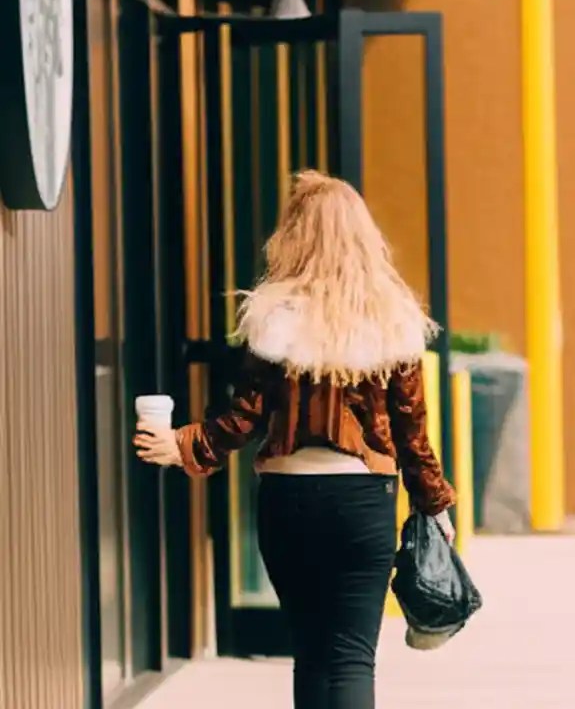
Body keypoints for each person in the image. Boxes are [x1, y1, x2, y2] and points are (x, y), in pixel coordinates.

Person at [134, 169, 456, 709]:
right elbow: (411, 431)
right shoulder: (393, 319)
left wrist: (184, 445)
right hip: (361, 503)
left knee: (310, 654)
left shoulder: (273, 314)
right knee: (352, 657)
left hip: (289, 502)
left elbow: (245, 414)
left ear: (296, 236)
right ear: (363, 235)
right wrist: (436, 504)